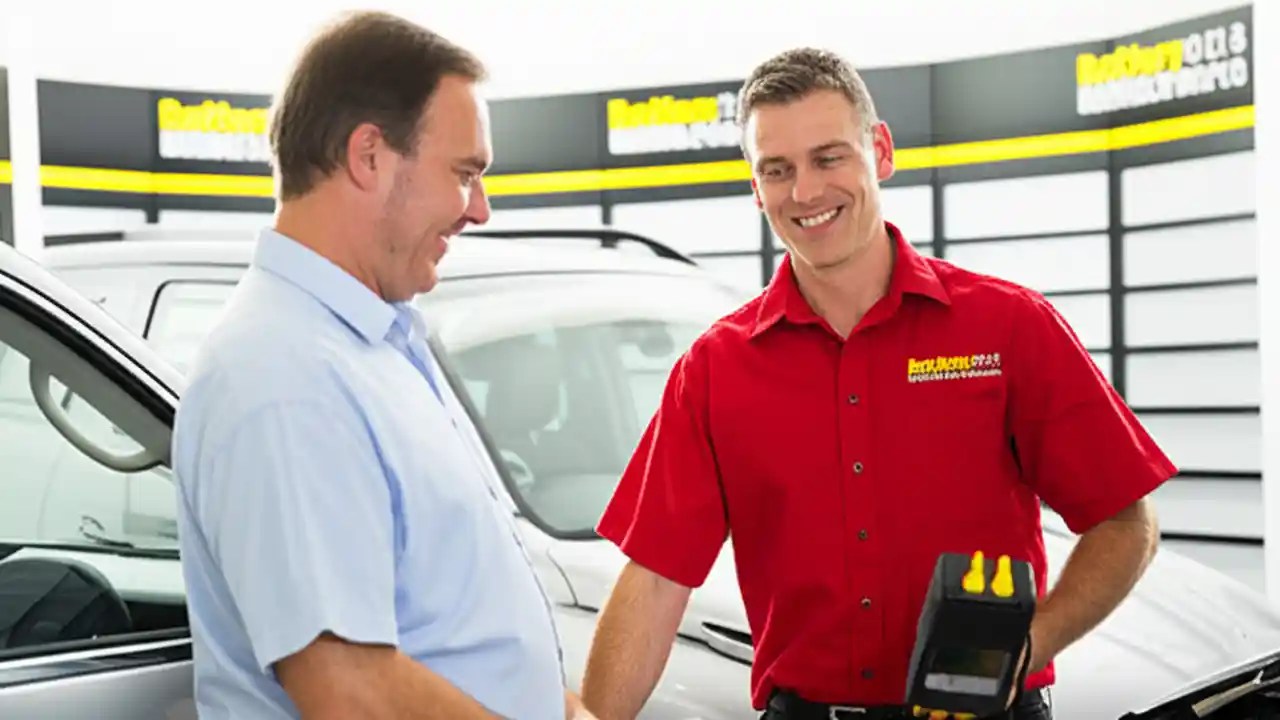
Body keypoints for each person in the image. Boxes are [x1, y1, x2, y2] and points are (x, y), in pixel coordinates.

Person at [580, 47, 1173, 720]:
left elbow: (1126, 520)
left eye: (829, 158)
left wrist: (1026, 646)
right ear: (756, 186)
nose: (805, 192)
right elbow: (655, 582)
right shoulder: (715, 371)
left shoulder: (1008, 328)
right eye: (778, 170)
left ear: (880, 151)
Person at [171, 11, 592, 720]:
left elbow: (452, 625)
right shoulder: (280, 375)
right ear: (369, 155)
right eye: (464, 174)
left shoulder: (372, 343)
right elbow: (349, 690)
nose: (480, 210)